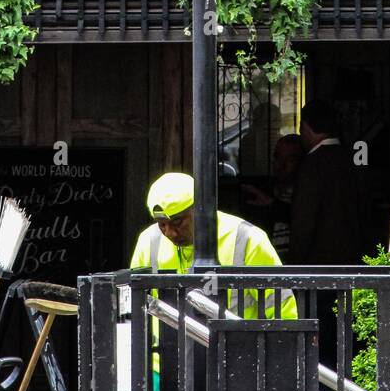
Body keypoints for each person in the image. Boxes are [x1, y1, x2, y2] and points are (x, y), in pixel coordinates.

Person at [129, 172, 296, 319]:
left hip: (235, 345)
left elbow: (283, 311)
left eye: (177, 222)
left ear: (199, 209)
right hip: (169, 346)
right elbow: (133, 306)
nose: (169, 232)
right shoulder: (149, 240)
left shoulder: (247, 239)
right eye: (161, 224)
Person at [288, 99, 362, 265]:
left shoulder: (311, 165)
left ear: (305, 127)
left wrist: (294, 265)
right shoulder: (350, 160)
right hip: (353, 260)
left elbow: (303, 221)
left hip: (319, 265)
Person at [241, 132, 303, 258]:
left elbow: (300, 218)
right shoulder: (263, 193)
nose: (281, 165)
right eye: (278, 157)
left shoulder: (305, 195)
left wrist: (273, 205)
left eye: (290, 160)